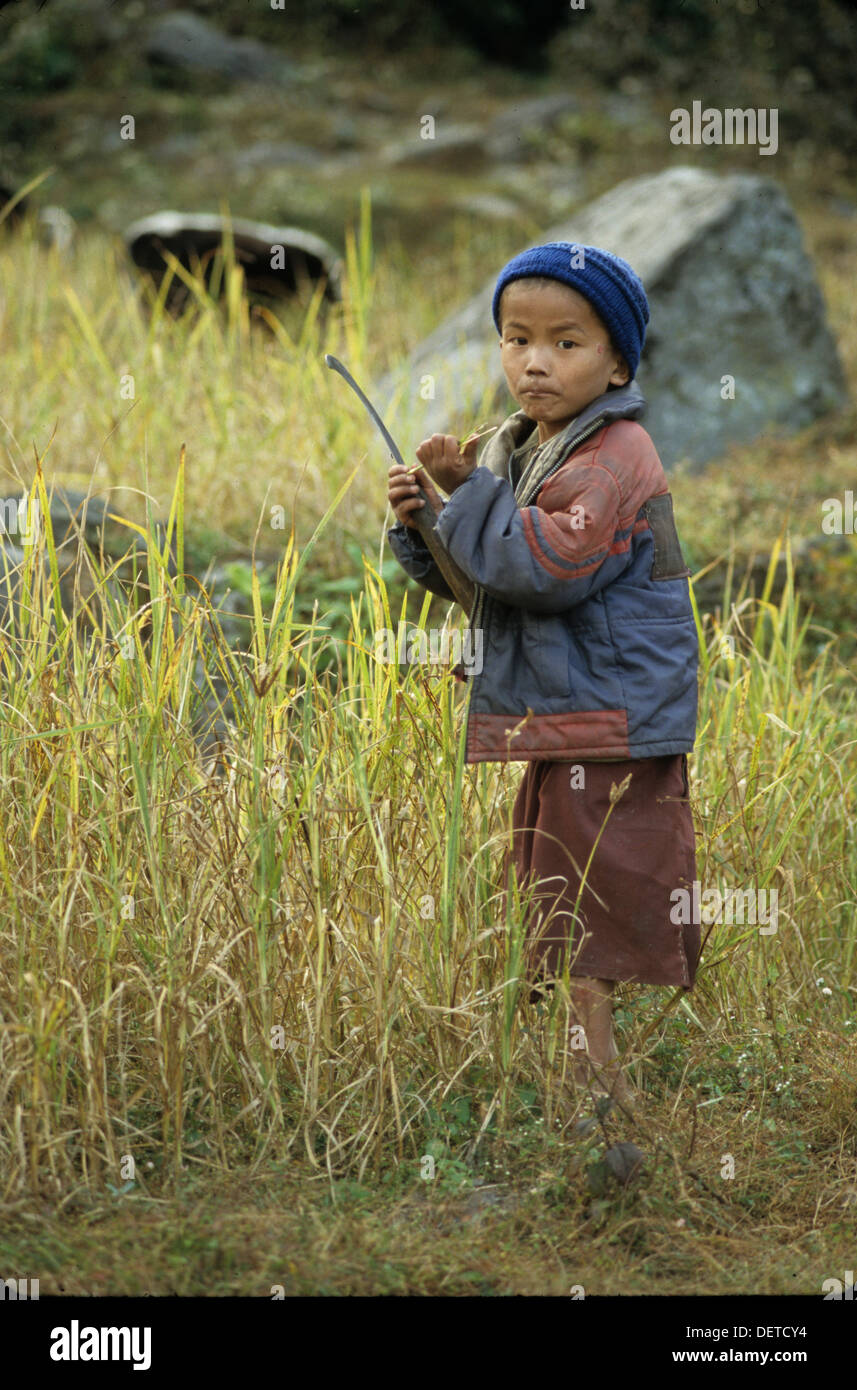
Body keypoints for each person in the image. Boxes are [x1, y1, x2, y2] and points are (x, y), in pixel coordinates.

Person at [386, 242, 700, 1110]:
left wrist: (463, 493)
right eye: (516, 338)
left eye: (566, 342)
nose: (535, 360)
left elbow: (541, 572)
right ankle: (584, 1071)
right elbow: (481, 579)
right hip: (573, 713)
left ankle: (598, 1084)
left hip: (612, 716)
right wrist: (426, 522)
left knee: (592, 891)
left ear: (618, 363)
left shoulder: (611, 456)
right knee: (556, 882)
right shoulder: (527, 446)